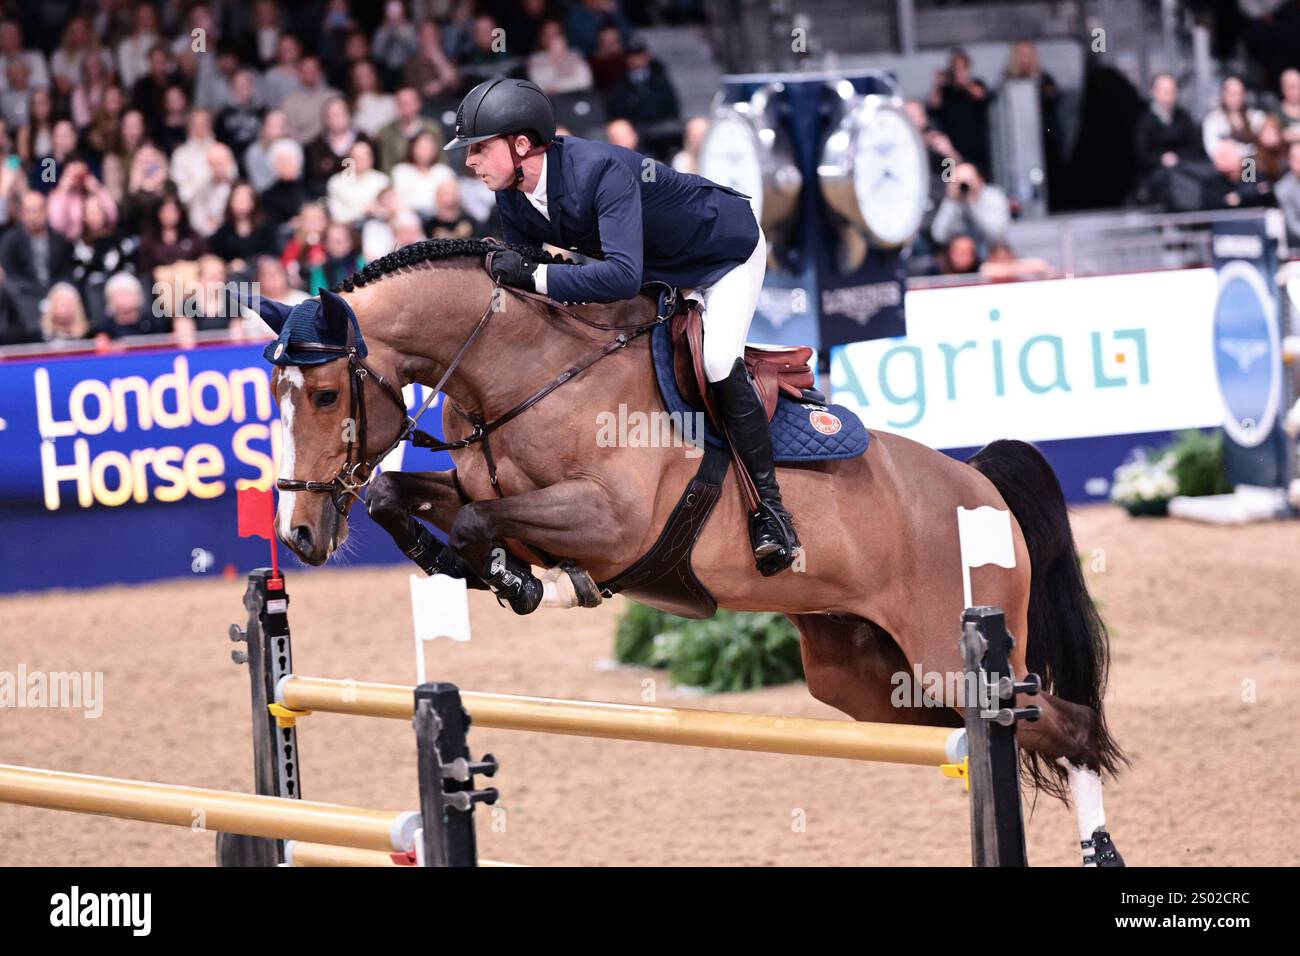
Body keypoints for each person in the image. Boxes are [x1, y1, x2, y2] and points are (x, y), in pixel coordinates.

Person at [447, 78, 799, 576]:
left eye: (479, 148)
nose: (470, 161)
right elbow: (528, 277)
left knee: (719, 360)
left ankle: (772, 514)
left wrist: (535, 273)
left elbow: (618, 275)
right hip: (659, 273)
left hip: (724, 257)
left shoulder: (601, 171)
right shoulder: (513, 191)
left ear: (520, 145)